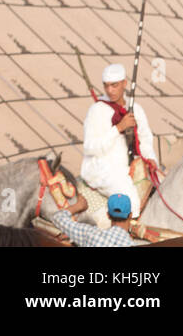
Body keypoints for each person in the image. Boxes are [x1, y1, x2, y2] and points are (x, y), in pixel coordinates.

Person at [78, 63, 158, 217]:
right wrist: (118, 129)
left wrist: (151, 159)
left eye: (114, 85)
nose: (110, 90)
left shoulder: (137, 109)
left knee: (163, 186)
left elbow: (145, 139)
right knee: (130, 201)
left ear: (124, 84)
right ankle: (127, 236)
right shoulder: (97, 110)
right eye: (106, 86)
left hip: (130, 166)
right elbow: (90, 147)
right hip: (103, 169)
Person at [50, 193, 137, 247]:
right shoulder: (130, 244)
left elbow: (58, 217)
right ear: (130, 215)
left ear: (108, 215)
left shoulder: (91, 234)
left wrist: (78, 206)